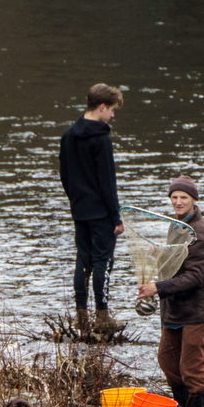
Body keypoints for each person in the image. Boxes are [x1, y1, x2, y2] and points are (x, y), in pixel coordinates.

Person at [138, 176, 204, 407]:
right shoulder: (176, 226)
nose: (178, 201)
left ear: (194, 200)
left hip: (196, 310)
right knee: (167, 361)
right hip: (174, 309)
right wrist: (161, 253)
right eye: (174, 197)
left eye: (183, 197)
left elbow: (195, 276)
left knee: (192, 368)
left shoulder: (200, 232)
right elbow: (178, 257)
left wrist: (157, 288)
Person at [58, 83, 124, 336]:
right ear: (102, 106)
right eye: (112, 110)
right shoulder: (101, 138)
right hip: (101, 213)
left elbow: (65, 175)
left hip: (80, 210)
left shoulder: (68, 135)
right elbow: (107, 182)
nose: (113, 116)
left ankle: (81, 317)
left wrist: (75, 200)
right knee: (102, 262)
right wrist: (116, 216)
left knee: (82, 260)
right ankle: (103, 316)